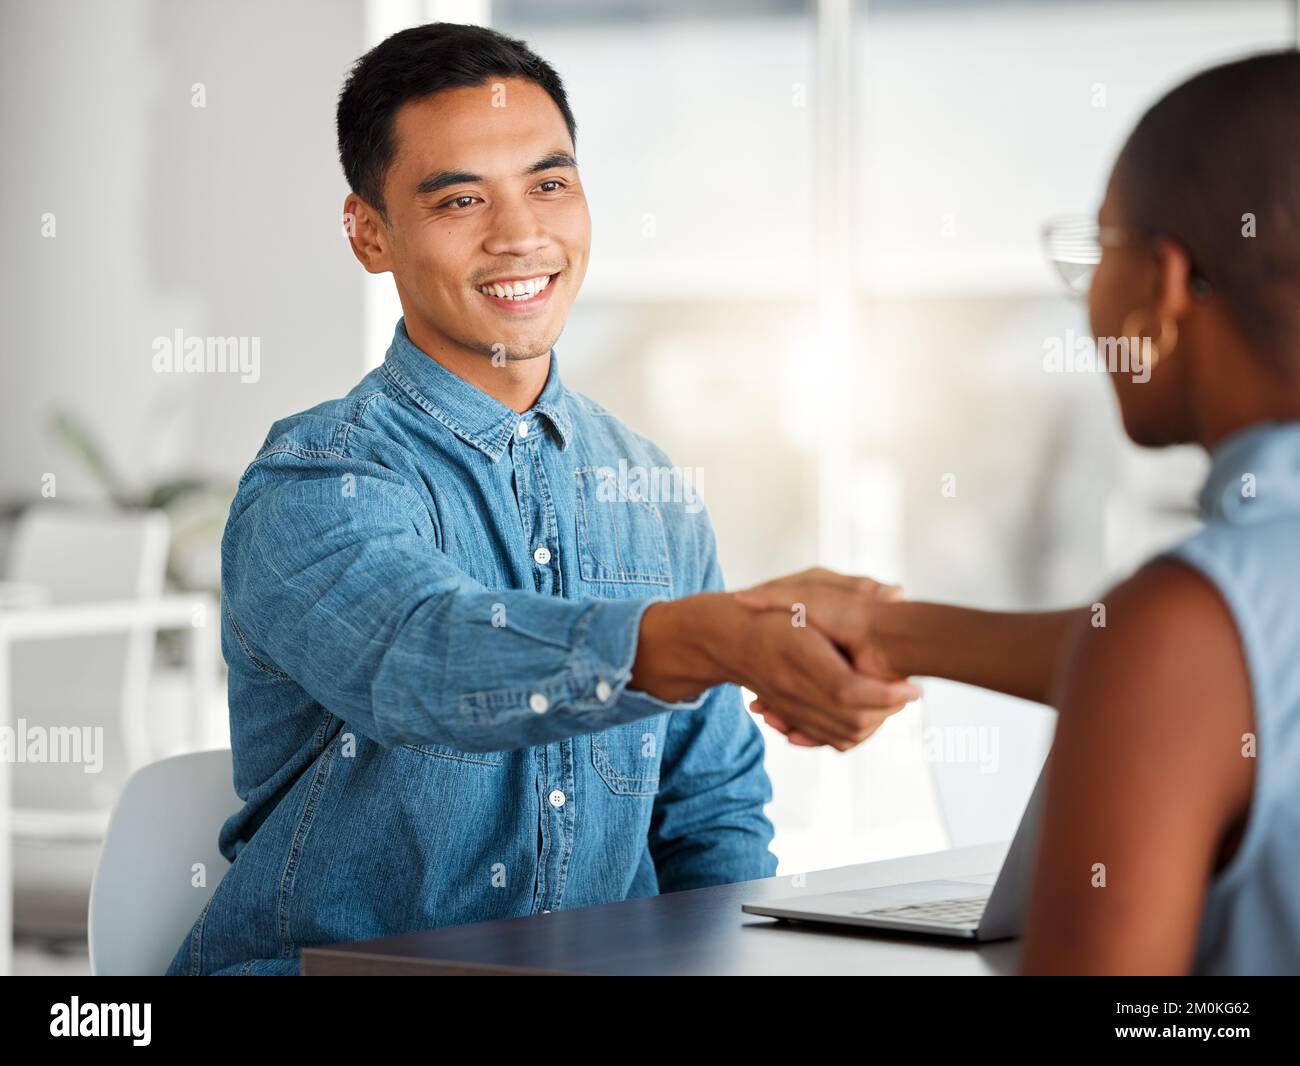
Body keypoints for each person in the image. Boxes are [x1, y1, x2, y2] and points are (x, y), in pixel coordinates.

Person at [165, 23, 916, 975]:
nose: (521, 234)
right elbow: (427, 660)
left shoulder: (648, 488)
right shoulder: (315, 482)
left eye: (549, 184)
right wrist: (704, 639)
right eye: (461, 199)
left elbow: (712, 815)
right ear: (369, 234)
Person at [738, 51, 1300, 975]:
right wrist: (890, 631)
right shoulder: (1206, 626)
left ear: (1162, 284)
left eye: (1096, 252)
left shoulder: (1184, 626)